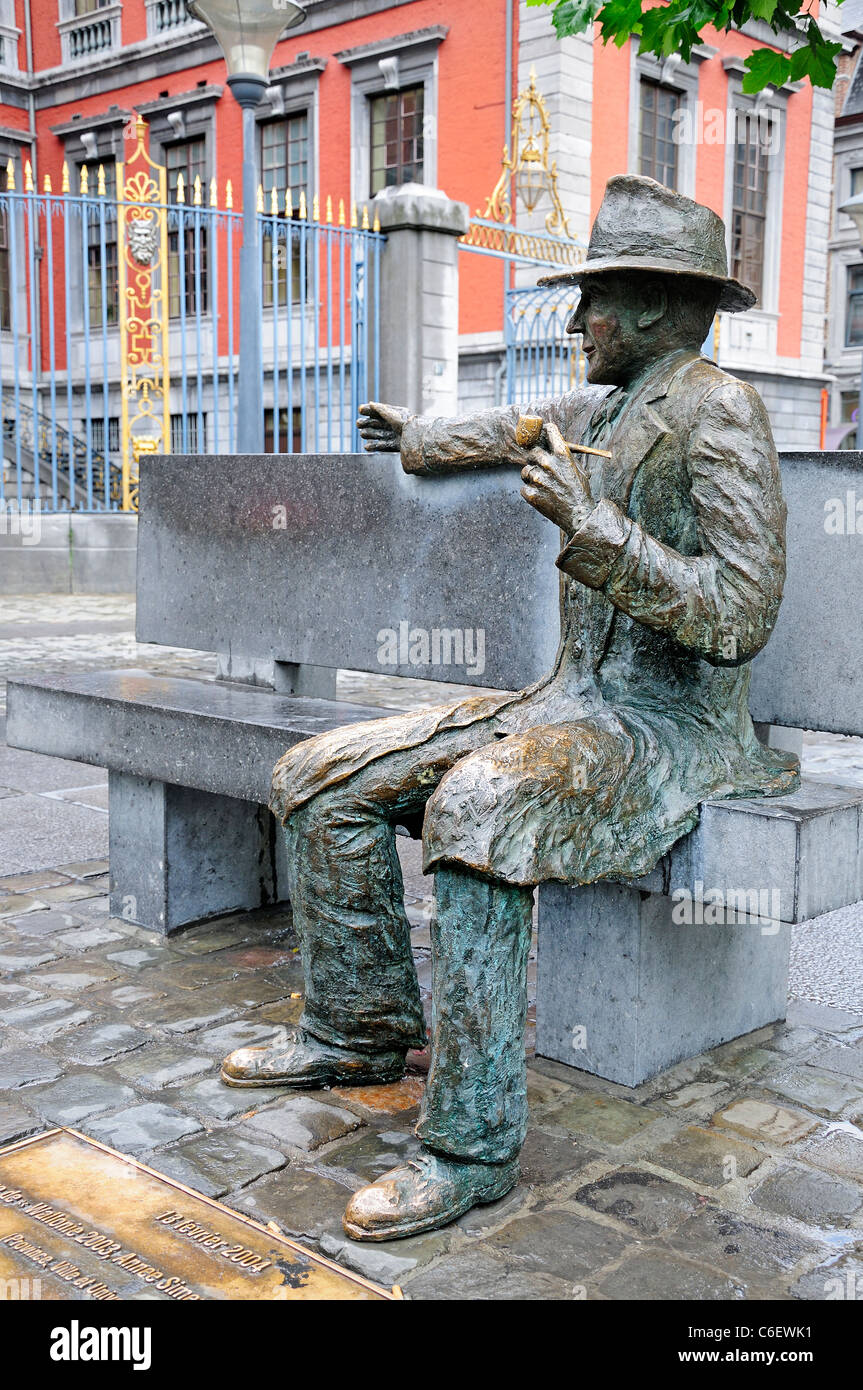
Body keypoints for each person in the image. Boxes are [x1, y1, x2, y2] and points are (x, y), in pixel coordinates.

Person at [221, 175, 799, 1241]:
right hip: (568, 706)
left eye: (595, 301)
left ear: (660, 308)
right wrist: (413, 434)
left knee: (479, 807)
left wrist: (594, 530)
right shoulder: (601, 404)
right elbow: (504, 428)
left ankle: (469, 1145)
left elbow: (741, 608)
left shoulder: (719, 413)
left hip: (665, 735)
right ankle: (359, 1024)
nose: (576, 322)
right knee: (320, 778)